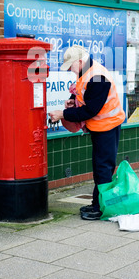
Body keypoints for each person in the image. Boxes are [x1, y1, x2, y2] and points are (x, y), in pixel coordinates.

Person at [49, 45, 125, 220]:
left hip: (107, 126)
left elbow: (90, 110)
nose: (69, 70)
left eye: (70, 66)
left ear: (80, 61)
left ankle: (101, 209)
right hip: (100, 127)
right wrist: (71, 101)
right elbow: (83, 95)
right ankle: (97, 203)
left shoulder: (98, 77)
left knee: (103, 168)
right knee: (100, 168)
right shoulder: (86, 72)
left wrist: (63, 114)